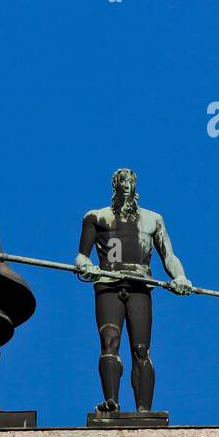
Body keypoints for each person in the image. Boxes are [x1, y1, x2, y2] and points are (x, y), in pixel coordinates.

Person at [75, 167, 192, 413]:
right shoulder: (96, 217)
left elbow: (168, 255)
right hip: (108, 283)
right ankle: (111, 401)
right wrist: (87, 267)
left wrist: (180, 277)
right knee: (109, 341)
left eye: (130, 181)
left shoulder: (153, 220)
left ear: (135, 186)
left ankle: (144, 410)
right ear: (115, 185)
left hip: (139, 285)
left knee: (141, 349)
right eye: (121, 181)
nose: (126, 185)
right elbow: (81, 258)